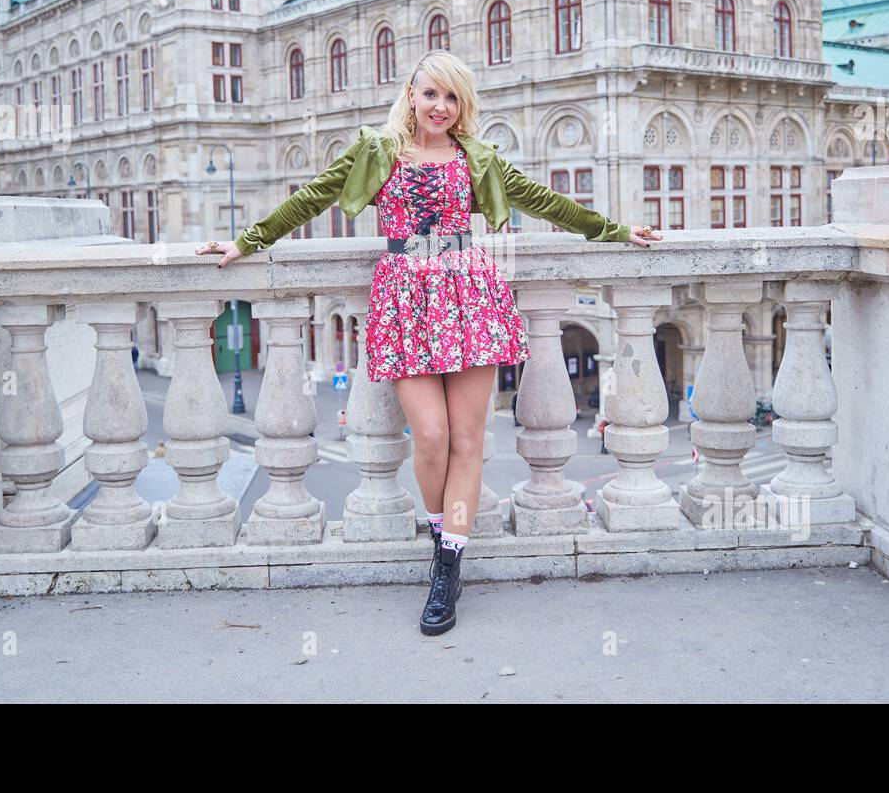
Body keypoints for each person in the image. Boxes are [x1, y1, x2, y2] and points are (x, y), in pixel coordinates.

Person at [197, 50, 661, 635]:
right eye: (430, 94)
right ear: (411, 96)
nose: (439, 107)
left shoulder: (478, 157)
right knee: (434, 436)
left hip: (470, 296)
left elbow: (545, 201)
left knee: (468, 438)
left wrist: (617, 230)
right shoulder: (378, 150)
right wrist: (247, 240)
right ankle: (444, 526)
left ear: (462, 106)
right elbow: (312, 197)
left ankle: (448, 562)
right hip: (403, 299)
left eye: (452, 97)